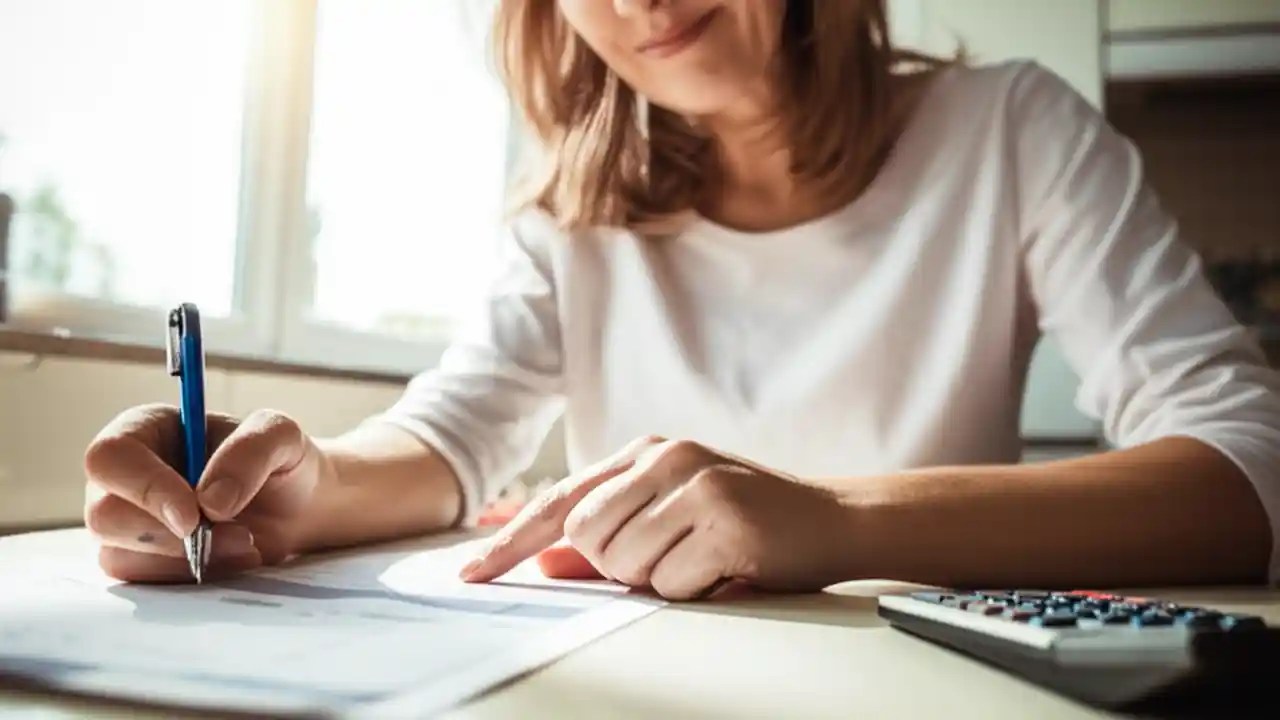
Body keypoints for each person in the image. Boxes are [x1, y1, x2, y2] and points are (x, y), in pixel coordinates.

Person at [83, 0, 1280, 600]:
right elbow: (449, 439)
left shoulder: (1012, 131)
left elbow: (1252, 461)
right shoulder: (572, 210)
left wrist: (834, 520)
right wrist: (289, 490)